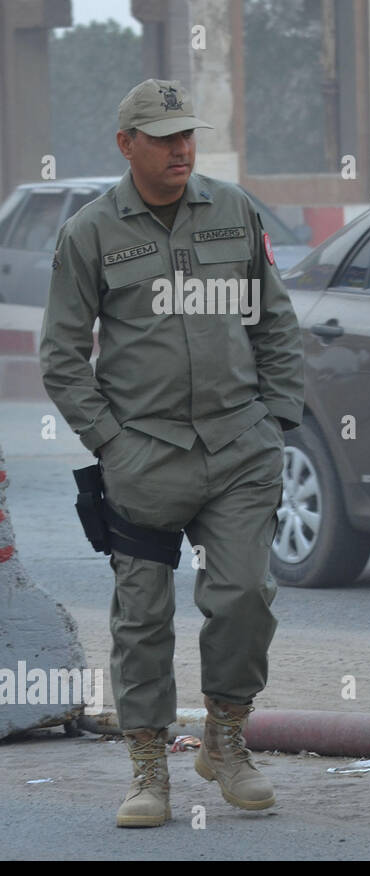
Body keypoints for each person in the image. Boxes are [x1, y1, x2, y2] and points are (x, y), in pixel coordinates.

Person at [39, 79, 304, 827]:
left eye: (186, 134)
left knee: (245, 595)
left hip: (239, 447)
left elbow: (274, 321)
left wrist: (276, 419)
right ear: (127, 146)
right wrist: (112, 444)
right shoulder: (90, 232)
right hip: (145, 454)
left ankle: (226, 738)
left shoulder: (234, 210)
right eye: (162, 137)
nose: (181, 147)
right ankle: (148, 765)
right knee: (143, 617)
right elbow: (60, 357)